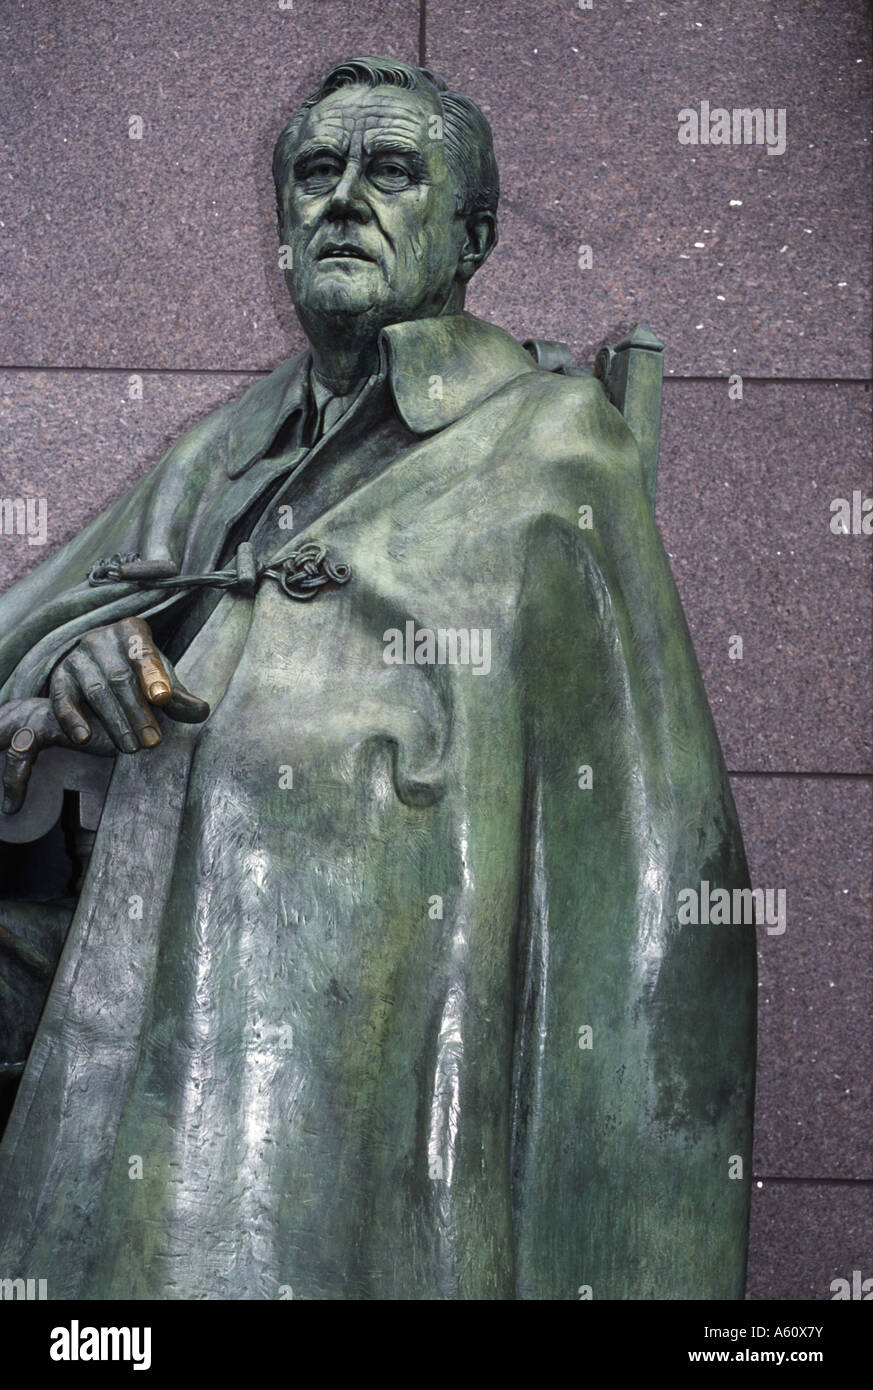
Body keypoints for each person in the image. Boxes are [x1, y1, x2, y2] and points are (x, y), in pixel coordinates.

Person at [0, 57, 755, 1300]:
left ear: (473, 237)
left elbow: (655, 832)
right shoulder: (225, 446)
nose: (343, 199)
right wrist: (71, 665)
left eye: (392, 172)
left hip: (386, 1000)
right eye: (316, 173)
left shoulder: (553, 443)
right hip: (152, 941)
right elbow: (40, 630)